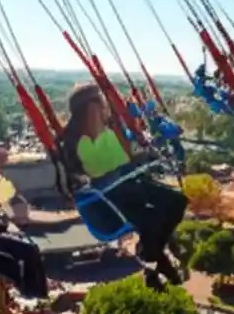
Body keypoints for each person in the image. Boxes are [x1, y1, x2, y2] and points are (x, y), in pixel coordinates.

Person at [58, 82, 186, 290]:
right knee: (152, 221)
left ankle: (150, 258)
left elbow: (122, 161)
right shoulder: (81, 142)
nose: (105, 106)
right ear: (92, 108)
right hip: (114, 197)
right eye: (101, 102)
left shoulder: (108, 132)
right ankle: (153, 266)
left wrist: (147, 154)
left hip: (129, 183)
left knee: (177, 201)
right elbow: (101, 171)